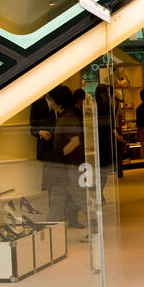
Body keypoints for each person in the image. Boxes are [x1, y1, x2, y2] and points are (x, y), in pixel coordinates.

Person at [48, 85, 85, 229]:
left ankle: (95, 228)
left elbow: (75, 141)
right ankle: (50, 229)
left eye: (51, 100)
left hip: (70, 167)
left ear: (58, 101)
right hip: (64, 167)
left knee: (80, 198)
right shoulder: (64, 117)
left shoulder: (68, 118)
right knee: (57, 199)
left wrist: (58, 155)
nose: (50, 103)